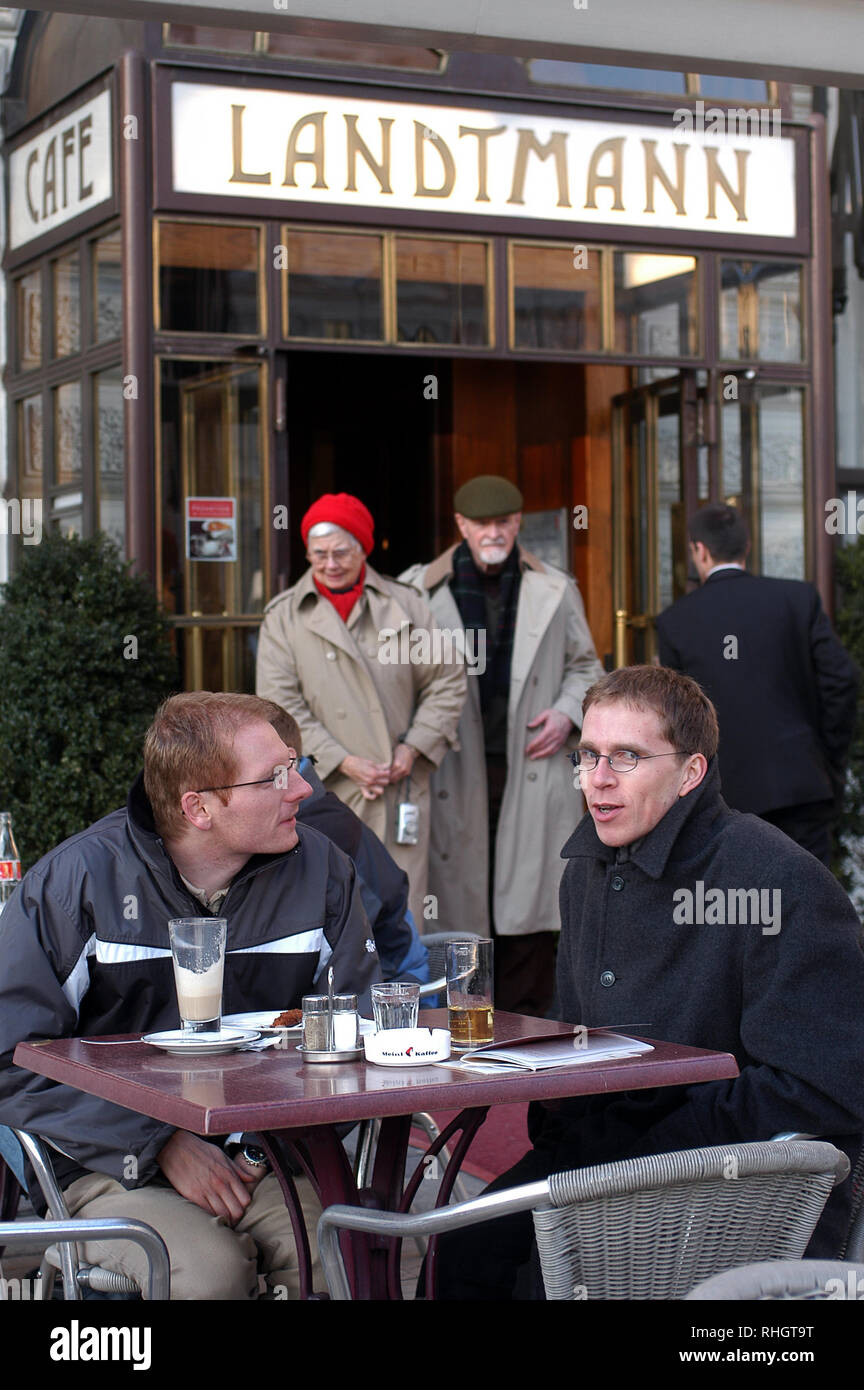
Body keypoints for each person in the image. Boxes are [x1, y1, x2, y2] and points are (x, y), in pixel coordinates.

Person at [435, 665, 864, 1299]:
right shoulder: (585, 869)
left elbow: (827, 1085)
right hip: (604, 1161)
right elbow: (579, 1027)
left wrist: (657, 1143)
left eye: (627, 758)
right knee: (463, 1250)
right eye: (588, 756)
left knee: (522, 1270)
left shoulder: (773, 877)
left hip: (735, 1185)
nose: (597, 780)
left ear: (691, 773)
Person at [0, 692, 381, 1300]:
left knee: (346, 1258)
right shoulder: (77, 883)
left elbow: (358, 1031)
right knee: (211, 1273)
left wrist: (258, 1151)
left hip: (266, 1158)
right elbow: (8, 1057)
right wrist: (155, 1142)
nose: (302, 790)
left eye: (296, 765)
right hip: (106, 1163)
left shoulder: (322, 870)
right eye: (276, 777)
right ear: (198, 807)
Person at [401, 475, 604, 1016]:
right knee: (456, 912)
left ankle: (529, 1040)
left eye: (504, 522)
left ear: (517, 523)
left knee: (528, 911)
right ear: (462, 526)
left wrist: (566, 714)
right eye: (482, 523)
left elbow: (586, 666)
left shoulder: (556, 587)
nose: (494, 532)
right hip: (449, 769)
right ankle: (459, 1035)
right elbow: (395, 676)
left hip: (529, 766)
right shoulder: (416, 588)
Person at [256, 492, 466, 928]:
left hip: (400, 789)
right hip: (321, 790)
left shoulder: (406, 605)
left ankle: (406, 997)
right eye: (319, 554)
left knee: (403, 912)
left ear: (363, 549)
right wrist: (343, 761)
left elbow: (447, 679)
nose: (330, 564)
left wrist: (414, 748)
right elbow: (280, 707)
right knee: (333, 909)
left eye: (341, 552)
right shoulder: (283, 617)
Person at [656, 502, 859, 865]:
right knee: (809, 909)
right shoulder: (797, 599)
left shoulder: (676, 622)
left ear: (699, 549)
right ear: (747, 546)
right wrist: (825, 756)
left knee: (737, 913)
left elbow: (677, 717)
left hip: (723, 796)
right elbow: (841, 680)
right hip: (799, 785)